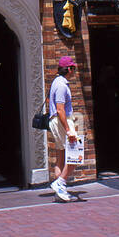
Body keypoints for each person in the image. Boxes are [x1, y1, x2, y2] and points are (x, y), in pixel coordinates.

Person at [48, 55, 78, 203]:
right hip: (62, 121)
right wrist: (68, 129)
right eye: (73, 68)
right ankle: (60, 183)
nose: (74, 72)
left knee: (61, 157)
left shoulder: (57, 82)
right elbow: (60, 109)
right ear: (69, 69)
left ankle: (60, 191)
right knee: (75, 155)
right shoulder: (61, 85)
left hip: (57, 121)